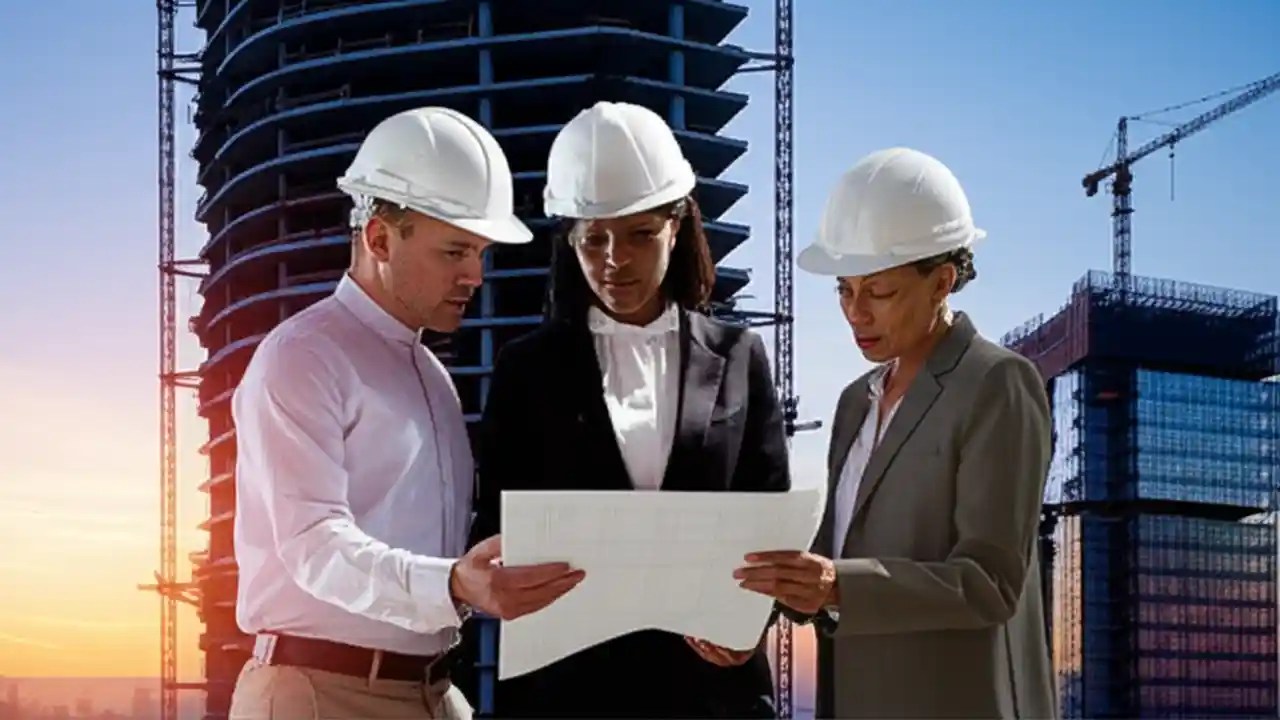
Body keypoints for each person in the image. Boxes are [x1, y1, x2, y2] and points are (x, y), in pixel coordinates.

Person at [228, 106, 585, 720]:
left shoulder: (431, 376)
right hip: (317, 696)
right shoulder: (303, 358)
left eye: (478, 252)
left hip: (431, 693)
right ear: (379, 239)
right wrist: (453, 583)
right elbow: (313, 545)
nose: (475, 275)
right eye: (454, 251)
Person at [468, 101, 791, 719]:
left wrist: (751, 619)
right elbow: (493, 530)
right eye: (595, 240)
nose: (615, 260)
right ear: (570, 241)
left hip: (712, 695)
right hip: (569, 697)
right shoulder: (525, 370)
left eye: (640, 234)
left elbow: (769, 526)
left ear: (678, 225)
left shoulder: (740, 357)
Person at [736, 147, 1058, 719]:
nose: (856, 313)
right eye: (844, 289)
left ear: (942, 281)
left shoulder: (998, 383)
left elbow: (990, 582)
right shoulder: (854, 403)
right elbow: (834, 558)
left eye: (878, 292)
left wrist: (837, 586)